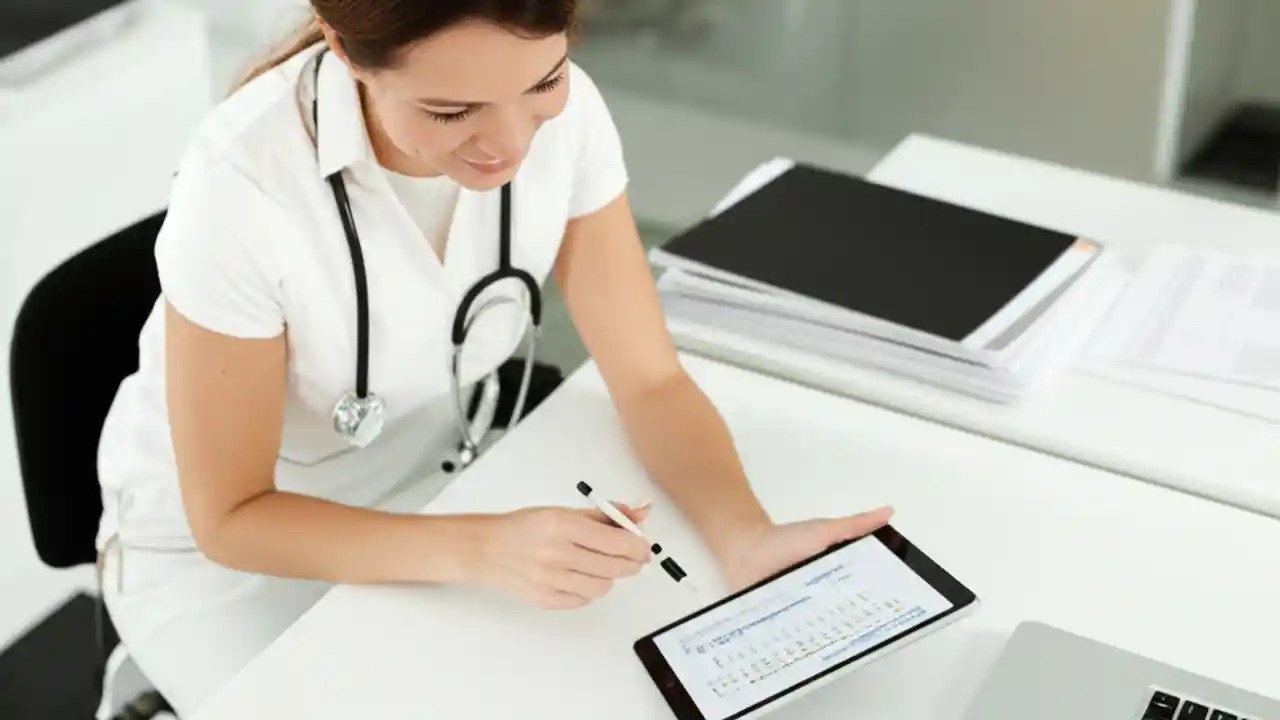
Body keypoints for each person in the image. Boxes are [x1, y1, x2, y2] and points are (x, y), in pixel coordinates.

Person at [95, 0, 893, 713]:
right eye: (452, 110)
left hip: (447, 483)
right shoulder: (241, 186)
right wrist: (484, 547)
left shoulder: (568, 119)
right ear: (342, 48)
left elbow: (649, 380)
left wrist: (746, 536)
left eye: (543, 82)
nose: (511, 143)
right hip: (233, 566)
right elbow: (231, 520)